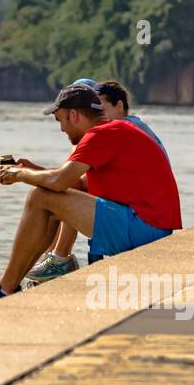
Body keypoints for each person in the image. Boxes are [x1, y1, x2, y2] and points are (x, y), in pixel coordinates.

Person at [0, 82, 182, 311]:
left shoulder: (102, 134)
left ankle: (5, 288)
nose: (62, 129)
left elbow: (60, 182)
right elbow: (79, 185)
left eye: (60, 120)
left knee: (40, 197)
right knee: (47, 197)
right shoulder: (111, 130)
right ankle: (30, 275)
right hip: (147, 225)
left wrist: (20, 173)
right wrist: (36, 169)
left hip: (144, 228)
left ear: (74, 115)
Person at [26, 78, 166, 284]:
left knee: (61, 197)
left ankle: (58, 259)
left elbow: (72, 182)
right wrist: (37, 173)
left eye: (100, 107)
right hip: (136, 209)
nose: (96, 113)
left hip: (141, 216)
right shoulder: (123, 127)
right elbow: (71, 179)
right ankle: (52, 262)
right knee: (56, 198)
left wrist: (23, 175)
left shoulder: (114, 130)